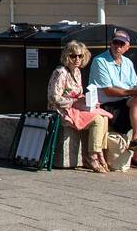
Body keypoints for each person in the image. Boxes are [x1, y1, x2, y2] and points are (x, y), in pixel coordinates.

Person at [87, 31, 137, 169]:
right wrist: (136, 91)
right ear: (110, 43)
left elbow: (134, 86)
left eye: (122, 43)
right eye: (115, 42)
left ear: (127, 47)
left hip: (124, 101)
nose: (118, 46)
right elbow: (108, 90)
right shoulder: (100, 61)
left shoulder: (128, 62)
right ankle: (136, 144)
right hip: (107, 104)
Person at [47, 41, 113, 173]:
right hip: (63, 109)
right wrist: (74, 102)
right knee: (97, 120)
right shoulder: (60, 72)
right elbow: (53, 97)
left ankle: (98, 152)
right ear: (67, 56)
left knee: (104, 117)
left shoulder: (77, 72)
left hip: (76, 107)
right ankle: (93, 156)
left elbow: (78, 93)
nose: (77, 59)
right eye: (73, 56)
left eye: (80, 56)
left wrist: (87, 100)